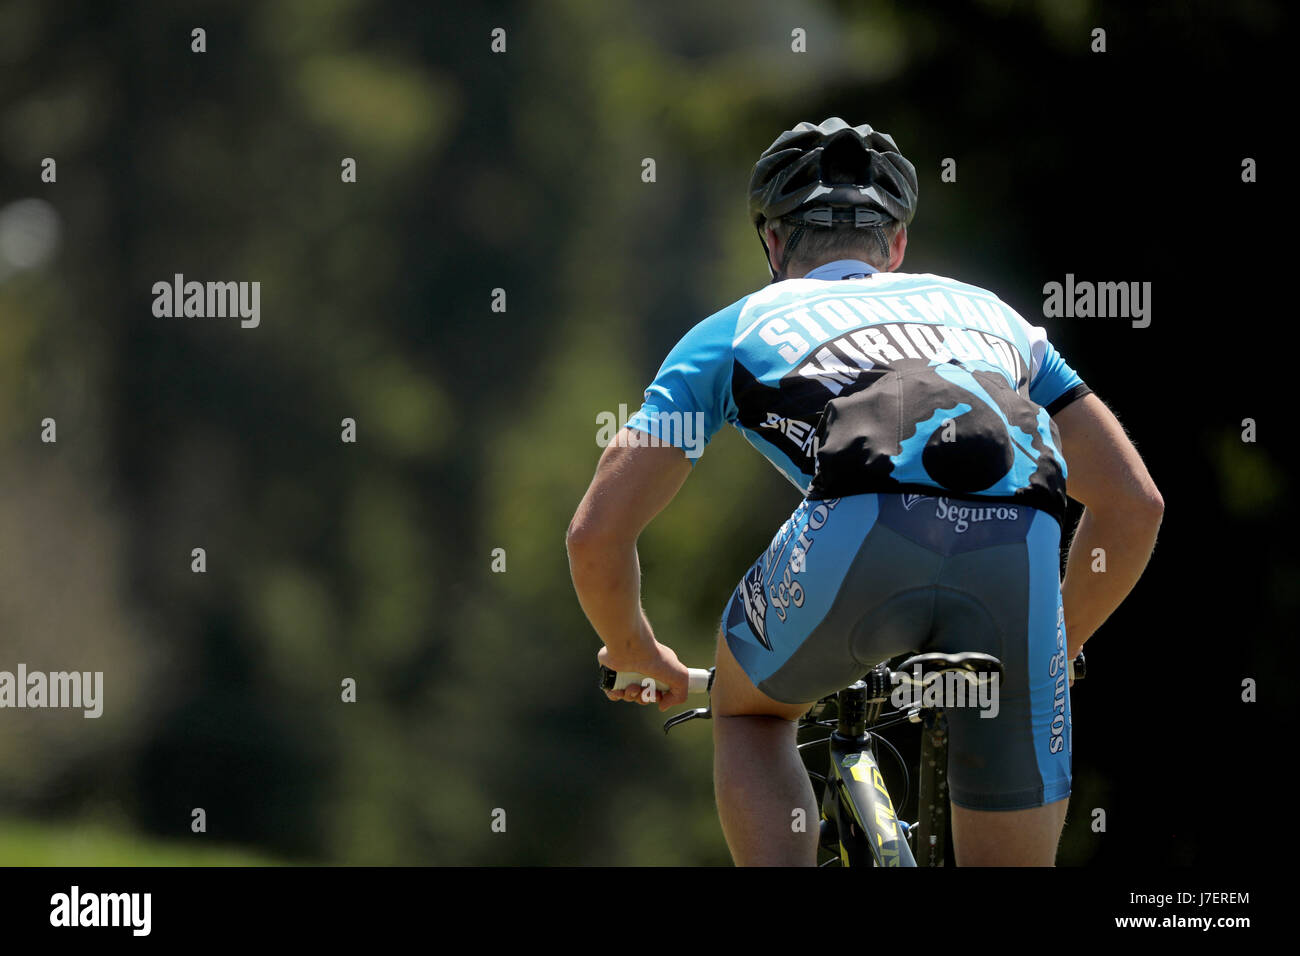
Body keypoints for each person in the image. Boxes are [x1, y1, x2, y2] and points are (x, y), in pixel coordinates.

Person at [566, 117, 1163, 866]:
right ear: (899, 245)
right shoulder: (996, 316)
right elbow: (1135, 504)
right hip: (1024, 546)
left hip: (865, 532)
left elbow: (596, 534)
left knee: (750, 714)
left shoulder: (734, 329)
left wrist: (635, 649)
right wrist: (1054, 646)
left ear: (774, 246)